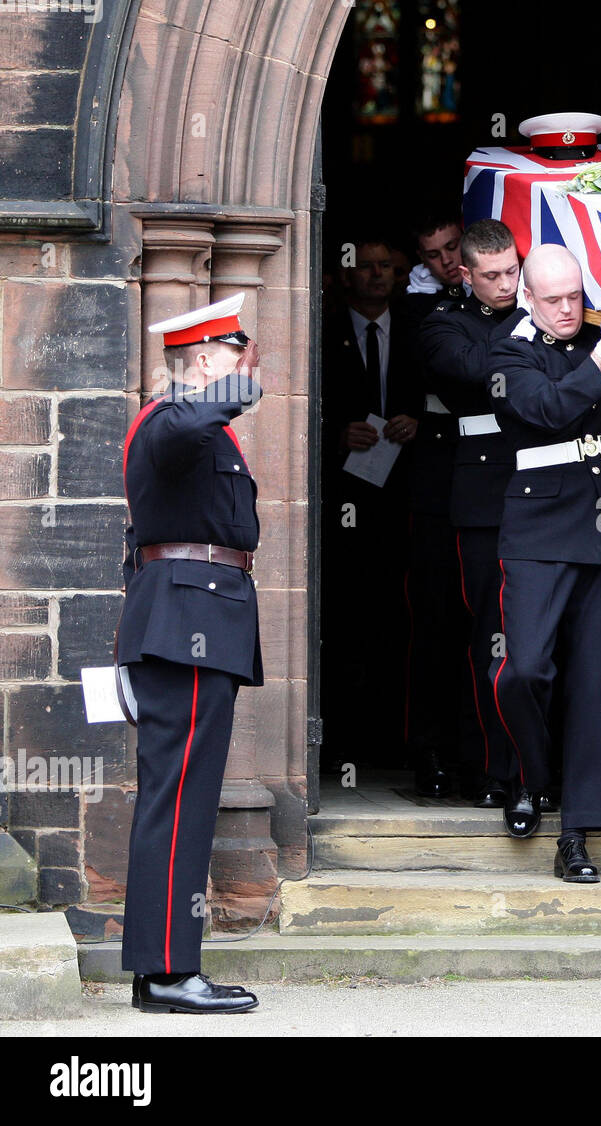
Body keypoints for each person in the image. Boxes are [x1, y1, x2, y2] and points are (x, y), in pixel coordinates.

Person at [486, 244, 601, 880]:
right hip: (541, 523)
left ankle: (579, 832)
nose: (567, 309)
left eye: (574, 297)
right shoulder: (508, 351)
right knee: (524, 669)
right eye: (553, 299)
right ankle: (533, 774)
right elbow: (546, 410)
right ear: (526, 297)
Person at [118, 293, 262, 1014]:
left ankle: (162, 966)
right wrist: (234, 386)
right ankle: (171, 973)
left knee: (179, 799)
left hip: (193, 616)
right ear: (204, 361)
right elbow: (191, 419)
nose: (251, 368)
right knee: (178, 802)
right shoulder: (173, 418)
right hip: (188, 620)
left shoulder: (189, 427)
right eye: (238, 354)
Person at [419, 219, 526, 806]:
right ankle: (492, 768)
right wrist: (535, 326)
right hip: (485, 496)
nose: (506, 284)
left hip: (548, 489)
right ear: (466, 274)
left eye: (513, 271)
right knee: (491, 636)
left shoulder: (543, 312)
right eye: (492, 276)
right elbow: (474, 370)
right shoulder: (443, 324)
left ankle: (537, 769)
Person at [320, 236, 427, 777]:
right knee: (344, 615)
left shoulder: (418, 328)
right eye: (365, 266)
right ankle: (340, 741)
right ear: (345, 274)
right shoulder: (323, 332)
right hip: (341, 500)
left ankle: (396, 742)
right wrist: (337, 436)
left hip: (405, 495)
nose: (377, 275)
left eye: (387, 265)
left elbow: (445, 395)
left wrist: (419, 422)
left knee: (399, 615)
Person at [403, 215, 466, 323]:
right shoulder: (415, 307)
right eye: (433, 255)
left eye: (452, 247)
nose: (446, 260)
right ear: (422, 257)